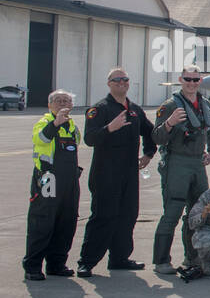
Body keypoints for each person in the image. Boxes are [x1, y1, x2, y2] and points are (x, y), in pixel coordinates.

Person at [76, 68, 155, 276]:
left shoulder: (135, 110)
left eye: (125, 79)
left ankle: (119, 258)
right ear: (109, 83)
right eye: (117, 79)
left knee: (128, 215)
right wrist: (110, 127)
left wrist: (148, 153)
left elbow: (150, 132)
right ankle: (87, 261)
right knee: (103, 216)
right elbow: (90, 139)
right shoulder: (99, 109)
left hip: (129, 172)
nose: (122, 82)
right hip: (105, 173)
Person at [152, 64, 210, 275]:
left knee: (197, 214)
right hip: (177, 163)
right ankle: (161, 260)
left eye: (195, 79)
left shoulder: (206, 105)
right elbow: (157, 137)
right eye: (187, 79)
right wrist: (169, 124)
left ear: (200, 82)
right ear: (180, 80)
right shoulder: (170, 106)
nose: (191, 83)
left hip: (198, 164)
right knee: (172, 212)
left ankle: (193, 258)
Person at [23, 90, 81, 280]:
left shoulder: (72, 127)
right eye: (58, 101)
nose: (62, 103)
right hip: (48, 179)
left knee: (67, 221)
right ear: (50, 105)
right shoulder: (44, 122)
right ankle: (32, 266)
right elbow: (40, 139)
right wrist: (56, 123)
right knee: (42, 222)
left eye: (66, 100)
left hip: (69, 182)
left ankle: (57, 264)